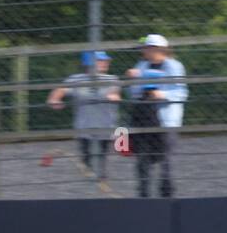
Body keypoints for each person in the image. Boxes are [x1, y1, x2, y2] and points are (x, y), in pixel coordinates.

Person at [47, 50, 120, 189]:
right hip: (84, 128)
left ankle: (101, 183)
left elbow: (115, 94)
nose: (105, 63)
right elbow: (60, 90)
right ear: (89, 63)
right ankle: (93, 183)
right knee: (87, 161)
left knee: (101, 159)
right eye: (100, 61)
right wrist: (54, 99)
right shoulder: (76, 79)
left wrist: (114, 97)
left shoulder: (111, 79)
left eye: (105, 60)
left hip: (105, 127)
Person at [126, 35, 187, 197]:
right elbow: (133, 94)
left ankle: (167, 195)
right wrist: (133, 81)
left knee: (165, 160)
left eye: (145, 48)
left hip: (164, 120)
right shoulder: (141, 65)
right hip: (143, 118)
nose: (143, 52)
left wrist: (162, 94)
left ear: (156, 49)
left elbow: (181, 93)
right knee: (142, 159)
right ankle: (144, 194)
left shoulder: (173, 66)